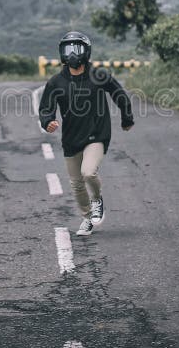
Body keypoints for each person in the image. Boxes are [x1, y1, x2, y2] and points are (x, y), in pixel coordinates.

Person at [38, 31, 134, 236]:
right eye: (68, 49)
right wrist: (48, 122)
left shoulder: (98, 75)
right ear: (62, 53)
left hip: (97, 134)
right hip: (71, 138)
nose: (73, 54)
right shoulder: (56, 82)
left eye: (77, 48)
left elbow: (119, 95)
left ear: (86, 51)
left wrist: (127, 119)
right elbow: (46, 107)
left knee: (88, 172)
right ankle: (87, 217)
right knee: (76, 184)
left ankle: (97, 199)